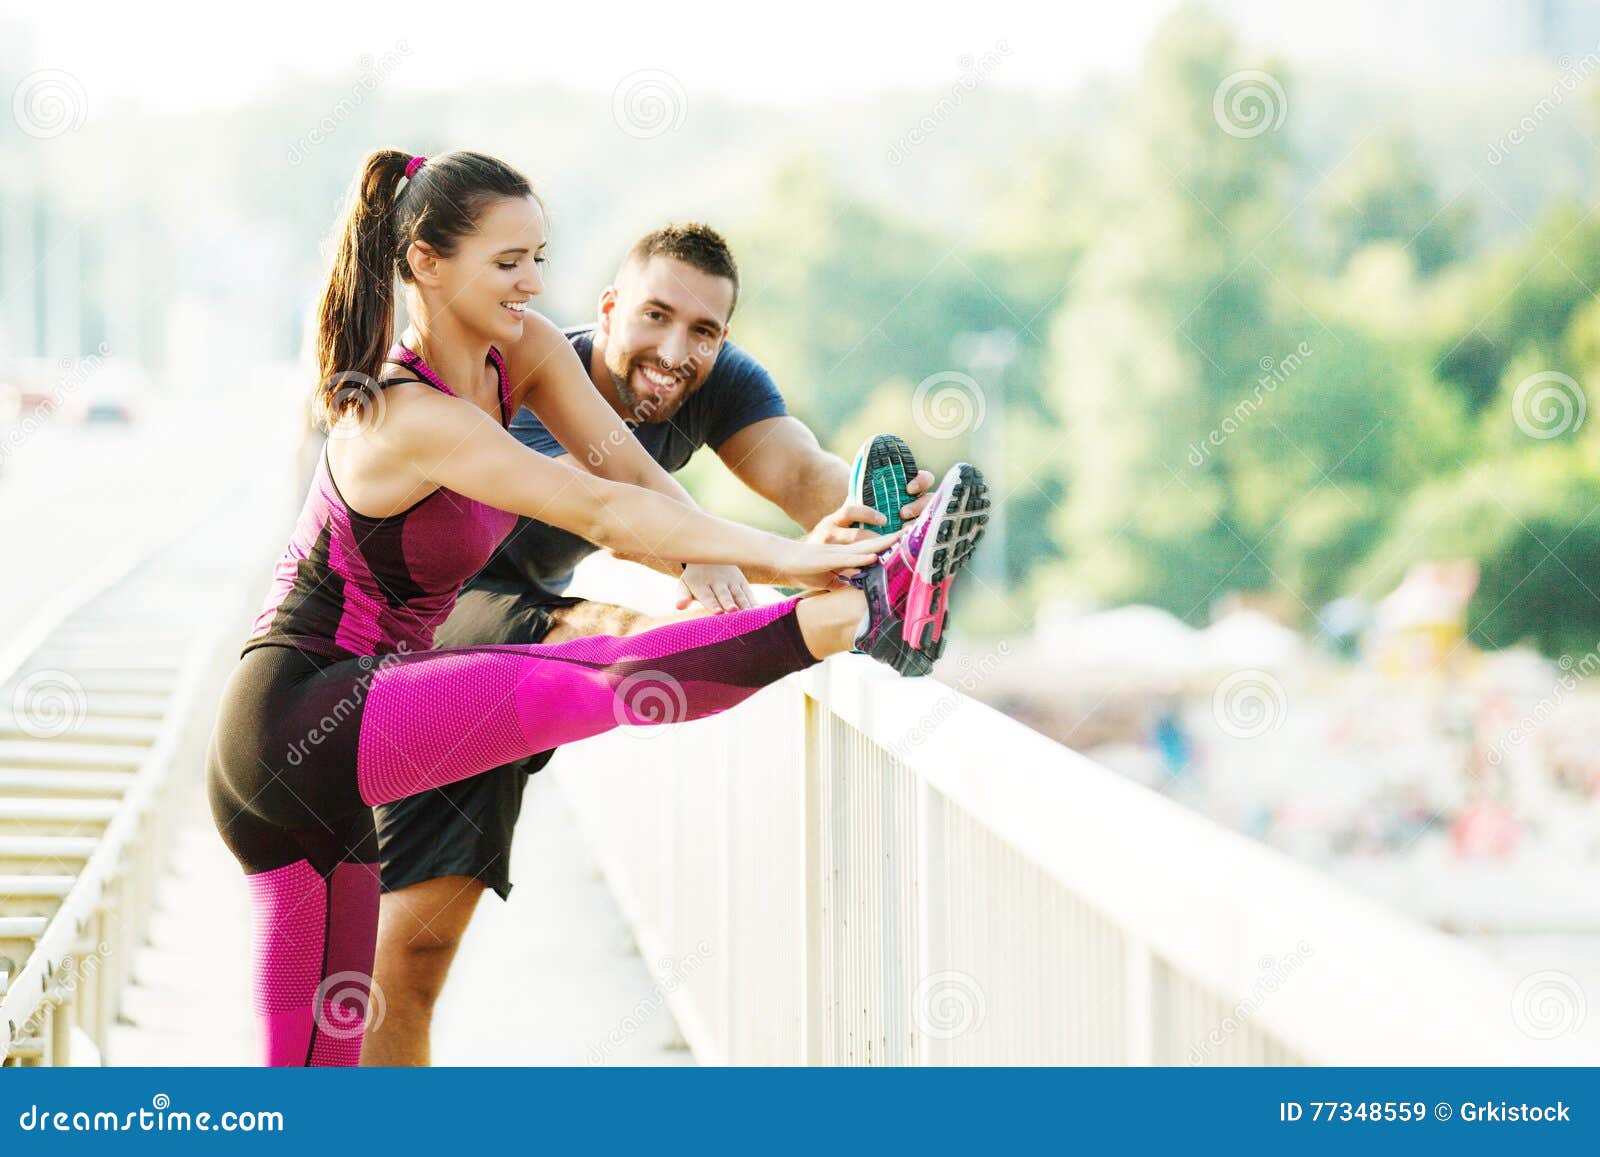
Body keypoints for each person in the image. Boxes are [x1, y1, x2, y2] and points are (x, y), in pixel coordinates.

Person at [205, 148, 989, 1067]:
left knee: (317, 1069)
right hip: (295, 719)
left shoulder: (526, 350)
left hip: (349, 740)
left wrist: (799, 548)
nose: (536, 283)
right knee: (601, 678)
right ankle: (867, 613)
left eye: (539, 255)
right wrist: (806, 563)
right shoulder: (404, 411)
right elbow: (602, 511)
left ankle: (865, 593)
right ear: (425, 262)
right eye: (509, 263)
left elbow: (636, 479)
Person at [364, 223, 937, 1066]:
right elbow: (607, 509)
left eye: (703, 331)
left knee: (412, 961)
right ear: (607, 310)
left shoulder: (717, 382)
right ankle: (852, 617)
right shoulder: (532, 377)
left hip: (514, 626)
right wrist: (697, 545)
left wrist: (873, 524)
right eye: (656, 316)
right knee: (614, 640)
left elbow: (798, 470)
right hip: (423, 633)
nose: (676, 349)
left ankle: (886, 586)